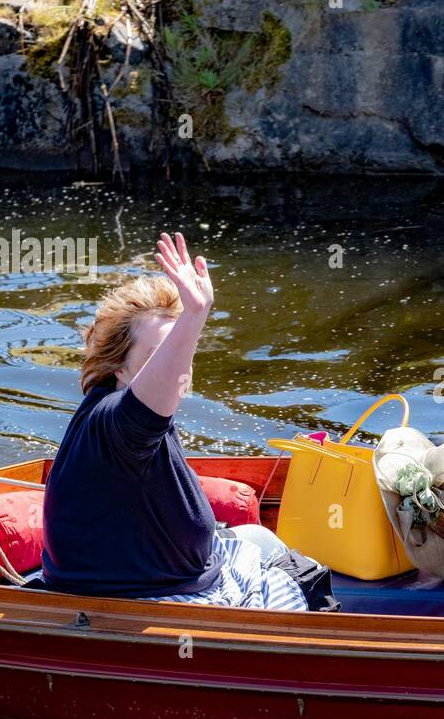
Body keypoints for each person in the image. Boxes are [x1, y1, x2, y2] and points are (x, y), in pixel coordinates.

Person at [41, 232, 307, 611]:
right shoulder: (116, 423)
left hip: (184, 569)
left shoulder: (116, 411)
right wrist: (195, 314)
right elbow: (144, 415)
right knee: (303, 590)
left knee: (266, 543)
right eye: (159, 352)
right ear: (118, 365)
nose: (177, 362)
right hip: (149, 599)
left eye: (181, 348)